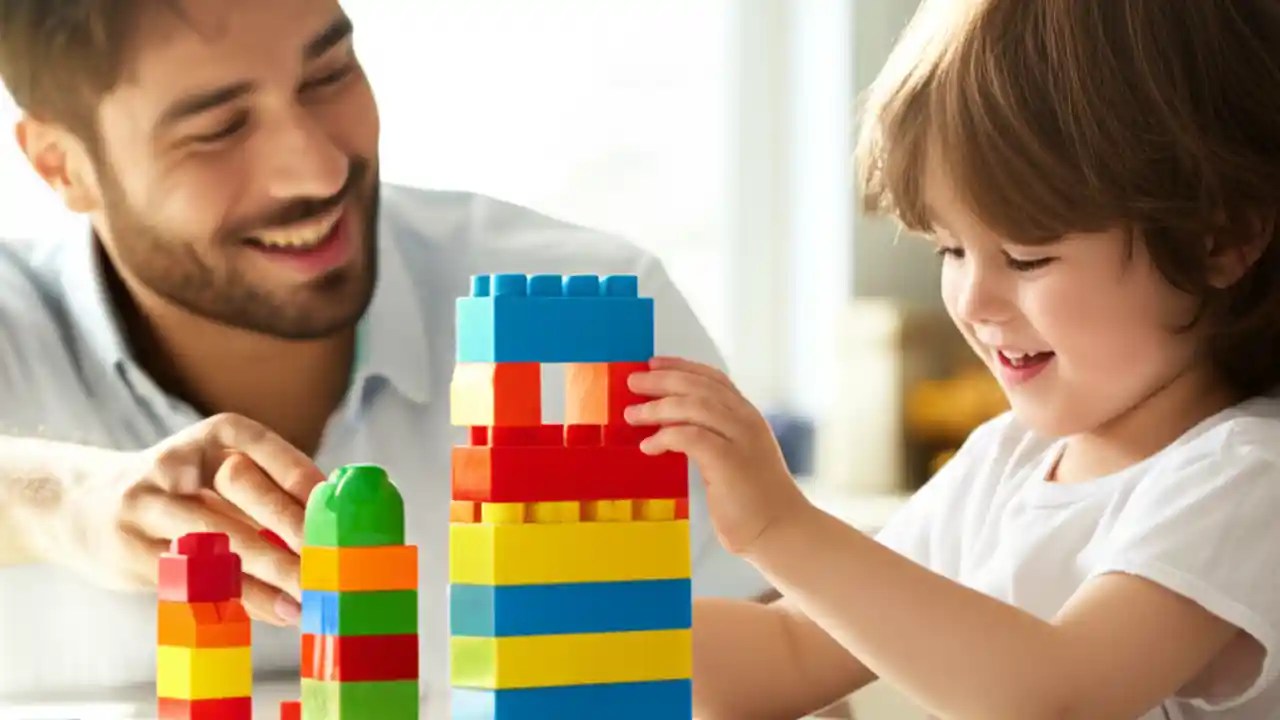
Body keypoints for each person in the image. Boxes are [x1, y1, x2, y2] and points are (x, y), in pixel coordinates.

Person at [0, 0, 767, 704]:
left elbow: (786, 677)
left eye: (328, 75)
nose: (319, 169)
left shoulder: (588, 318)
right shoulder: (15, 327)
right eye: (218, 129)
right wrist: (59, 502)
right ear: (61, 165)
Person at [626, 1, 1280, 718]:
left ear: (1220, 240)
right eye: (950, 249)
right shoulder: (1005, 459)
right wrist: (575, 616)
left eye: (1027, 258)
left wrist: (778, 528)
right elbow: (789, 652)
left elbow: (1057, 702)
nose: (972, 300)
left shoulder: (1248, 476)